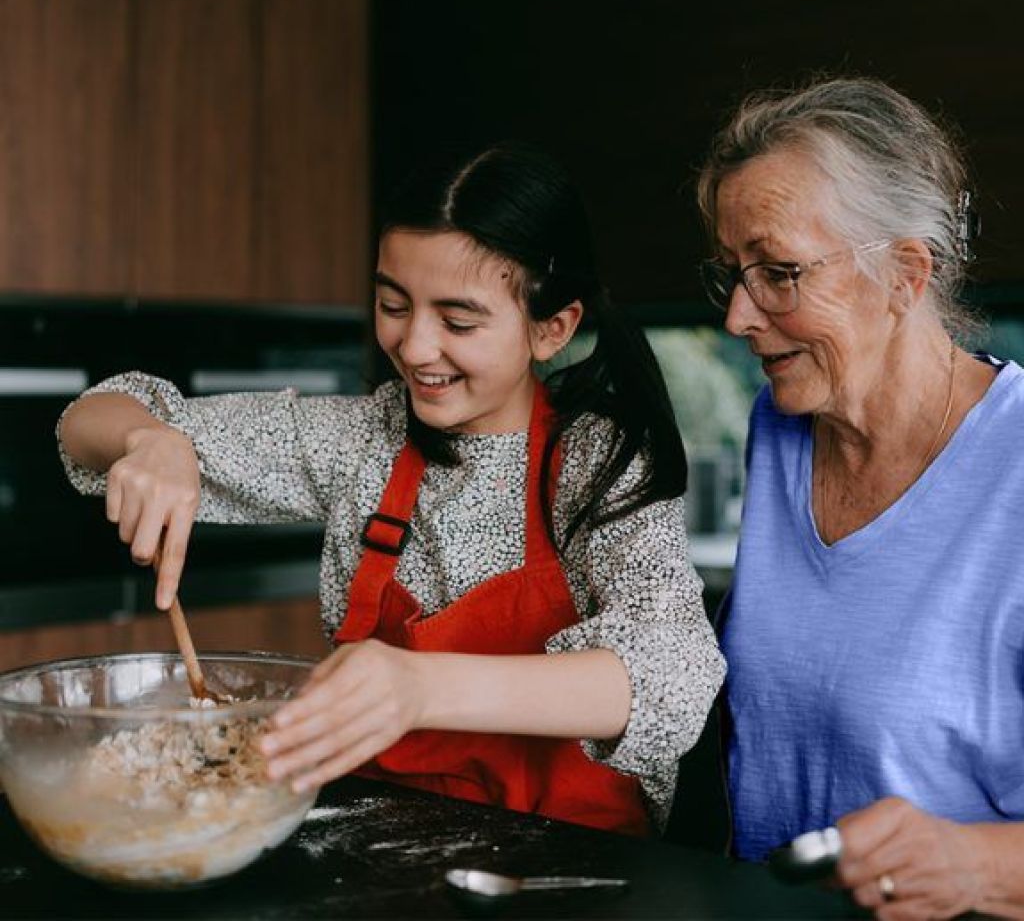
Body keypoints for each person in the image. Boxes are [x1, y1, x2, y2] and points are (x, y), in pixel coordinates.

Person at [59, 141, 725, 837]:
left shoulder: (600, 461)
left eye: (458, 321)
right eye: (392, 304)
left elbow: (674, 672)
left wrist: (421, 688)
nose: (413, 346)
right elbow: (91, 418)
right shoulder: (364, 441)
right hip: (382, 851)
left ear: (551, 328)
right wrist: (150, 441)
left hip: (572, 870)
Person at [697, 77, 1024, 918]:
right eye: (732, 274)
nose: (739, 315)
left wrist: (971, 863)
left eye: (778, 272)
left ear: (905, 274)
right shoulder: (784, 424)